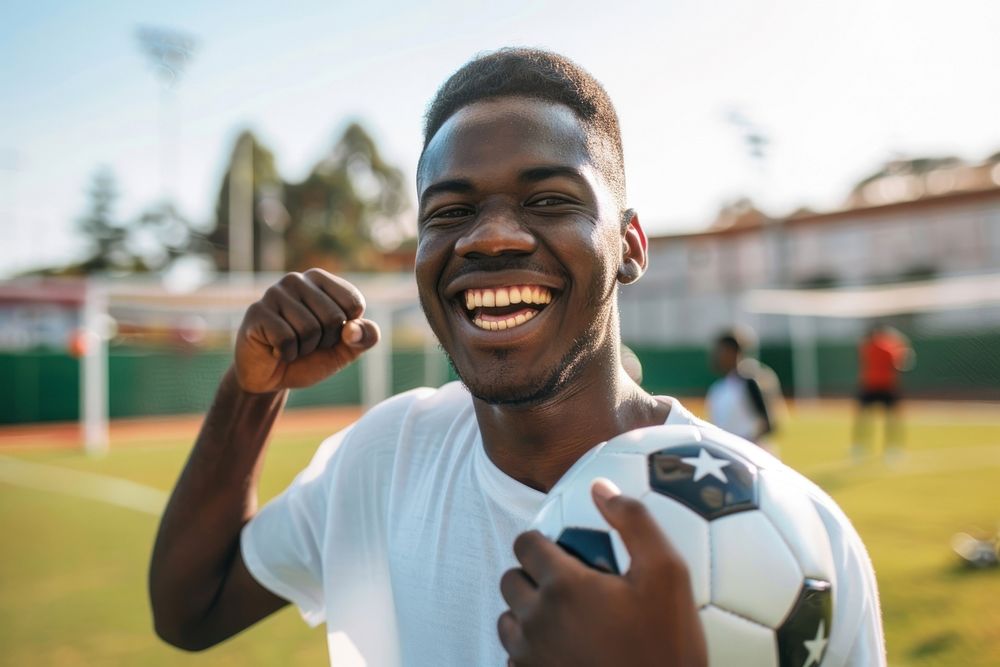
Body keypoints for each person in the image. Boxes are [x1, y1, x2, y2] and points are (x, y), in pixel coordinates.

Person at [149, 48, 885, 666]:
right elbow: (190, 607)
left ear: (629, 246)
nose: (489, 237)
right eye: (450, 211)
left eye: (548, 200)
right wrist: (250, 395)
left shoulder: (804, 541)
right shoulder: (384, 458)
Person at [706, 328, 784, 454]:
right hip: (729, 452)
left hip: (750, 454)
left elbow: (769, 424)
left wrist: (744, 443)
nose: (716, 355)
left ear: (732, 352)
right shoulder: (718, 388)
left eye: (720, 350)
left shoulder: (748, 383)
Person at [852, 323, 915, 461]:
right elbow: (901, 363)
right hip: (885, 387)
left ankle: (859, 447)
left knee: (863, 419)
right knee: (892, 420)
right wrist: (899, 341)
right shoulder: (889, 347)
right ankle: (892, 449)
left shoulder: (866, 347)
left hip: (870, 386)